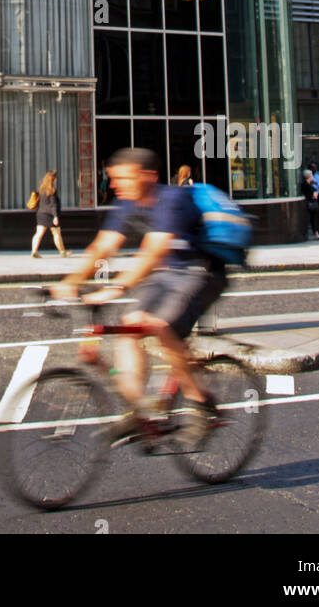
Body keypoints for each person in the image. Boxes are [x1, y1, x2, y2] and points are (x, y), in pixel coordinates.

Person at [53, 148, 227, 450]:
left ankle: (202, 404)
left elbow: (153, 251)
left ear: (148, 176)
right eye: (113, 179)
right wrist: (69, 283)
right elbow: (103, 247)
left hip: (202, 272)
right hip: (166, 275)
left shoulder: (174, 200)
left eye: (122, 178)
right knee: (128, 327)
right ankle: (140, 411)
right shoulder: (126, 204)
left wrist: (116, 287)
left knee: (160, 325)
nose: (115, 185)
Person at [31, 170, 70, 258]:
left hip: (41, 213)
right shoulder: (52, 190)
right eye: (55, 178)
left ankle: (34, 251)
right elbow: (53, 205)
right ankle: (63, 252)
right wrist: (55, 216)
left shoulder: (41, 189)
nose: (56, 179)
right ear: (53, 179)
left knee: (39, 233)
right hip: (50, 215)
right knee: (56, 233)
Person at [301, 168, 319, 240]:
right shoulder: (306, 185)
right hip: (310, 203)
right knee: (313, 219)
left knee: (312, 219)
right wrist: (315, 193)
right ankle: (315, 233)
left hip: (309, 203)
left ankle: (315, 233)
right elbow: (313, 195)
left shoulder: (308, 184)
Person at [308, 162, 319, 237]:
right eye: (313, 167)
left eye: (315, 167)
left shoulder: (317, 175)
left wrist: (315, 183)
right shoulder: (309, 176)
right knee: (314, 213)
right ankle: (315, 229)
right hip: (312, 195)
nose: (315, 169)